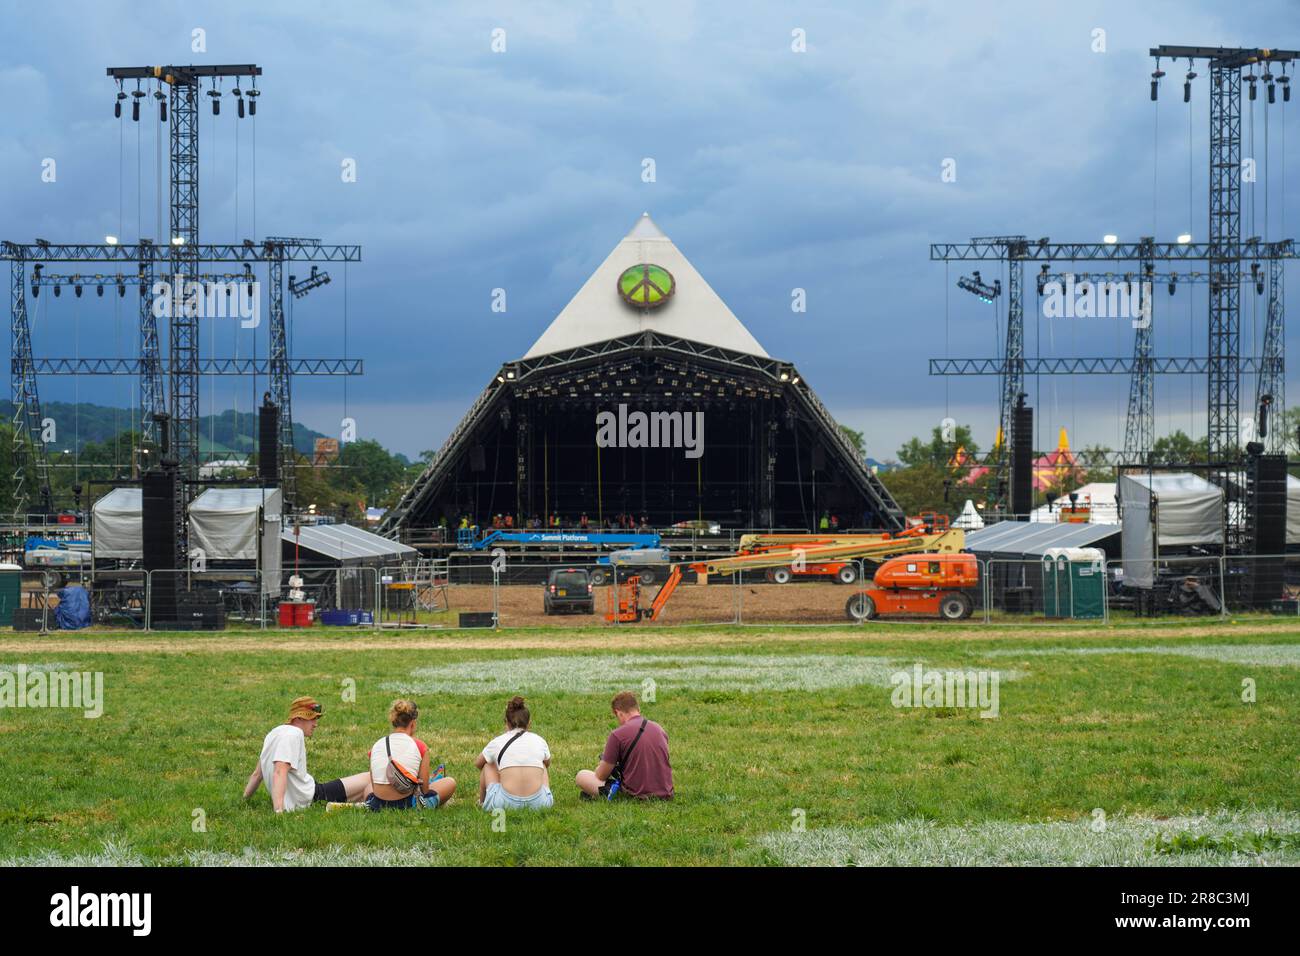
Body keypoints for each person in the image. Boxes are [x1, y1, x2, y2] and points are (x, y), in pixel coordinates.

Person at [243, 696, 371, 812]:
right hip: (313, 797)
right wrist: (279, 811)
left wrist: (244, 800)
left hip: (308, 793)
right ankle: (369, 807)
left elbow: (257, 774)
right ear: (298, 718)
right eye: (312, 718)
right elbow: (279, 771)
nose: (315, 724)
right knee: (370, 778)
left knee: (362, 791)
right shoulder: (294, 734)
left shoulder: (274, 733)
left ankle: (357, 805)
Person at [575, 691, 673, 800]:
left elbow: (601, 776)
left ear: (619, 713)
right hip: (665, 793)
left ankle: (609, 795)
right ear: (638, 709)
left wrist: (601, 766)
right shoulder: (659, 729)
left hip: (636, 794)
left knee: (581, 776)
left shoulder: (617, 734)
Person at [364, 699, 457, 811]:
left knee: (368, 787)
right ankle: (435, 782)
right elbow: (424, 790)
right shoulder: (420, 746)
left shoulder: (376, 745)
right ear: (413, 723)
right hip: (407, 805)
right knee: (450, 782)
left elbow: (374, 785)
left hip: (377, 805)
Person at [475, 696, 553, 812]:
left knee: (488, 764)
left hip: (503, 804)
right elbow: (547, 763)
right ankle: (542, 795)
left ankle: (482, 802)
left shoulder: (497, 742)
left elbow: (478, 763)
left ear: (506, 722)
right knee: (541, 764)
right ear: (529, 723)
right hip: (540, 804)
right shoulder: (540, 740)